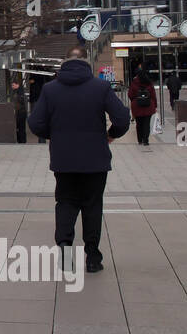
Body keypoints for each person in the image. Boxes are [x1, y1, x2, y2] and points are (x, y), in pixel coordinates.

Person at [27, 48, 129, 274]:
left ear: (63, 65)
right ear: (87, 64)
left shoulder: (50, 89)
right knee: (92, 205)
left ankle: (65, 253)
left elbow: (35, 123)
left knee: (65, 203)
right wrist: (111, 134)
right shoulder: (101, 87)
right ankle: (92, 257)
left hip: (64, 160)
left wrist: (53, 135)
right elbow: (122, 118)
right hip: (95, 160)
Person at [128, 68, 158, 146]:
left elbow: (130, 94)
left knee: (139, 124)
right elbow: (153, 95)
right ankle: (146, 140)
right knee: (146, 124)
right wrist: (155, 105)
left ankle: (140, 140)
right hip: (148, 106)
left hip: (137, 106)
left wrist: (134, 100)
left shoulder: (134, 83)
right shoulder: (149, 83)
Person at [9, 79, 27, 144]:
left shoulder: (19, 92)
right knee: (19, 128)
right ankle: (21, 141)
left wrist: (14, 109)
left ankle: (22, 141)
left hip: (20, 113)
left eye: (13, 85)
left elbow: (19, 103)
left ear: (17, 85)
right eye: (12, 85)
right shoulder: (17, 91)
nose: (12, 87)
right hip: (19, 113)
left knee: (21, 128)